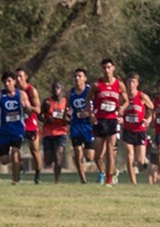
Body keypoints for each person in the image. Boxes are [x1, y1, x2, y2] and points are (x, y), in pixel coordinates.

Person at [89, 58, 128, 186]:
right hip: (99, 121)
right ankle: (102, 172)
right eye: (104, 68)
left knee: (111, 151)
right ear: (102, 69)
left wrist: (122, 108)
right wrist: (91, 114)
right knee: (98, 155)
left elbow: (126, 100)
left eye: (109, 67)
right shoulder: (96, 85)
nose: (107, 70)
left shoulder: (119, 84)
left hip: (112, 120)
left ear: (113, 68)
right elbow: (87, 100)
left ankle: (109, 181)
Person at [0, 71, 33, 185]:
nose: (7, 84)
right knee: (4, 160)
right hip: (4, 130)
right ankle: (19, 164)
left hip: (17, 129)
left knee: (15, 154)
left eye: (9, 81)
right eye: (5, 81)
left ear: (14, 82)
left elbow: (28, 109)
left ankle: (15, 180)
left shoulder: (21, 94)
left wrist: (28, 109)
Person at [120, 73, 154, 185]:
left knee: (140, 160)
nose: (131, 84)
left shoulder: (142, 96)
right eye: (129, 81)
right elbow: (118, 110)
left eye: (133, 81)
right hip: (127, 130)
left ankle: (146, 163)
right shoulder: (123, 97)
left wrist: (148, 120)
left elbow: (152, 108)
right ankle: (133, 183)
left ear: (137, 83)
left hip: (140, 130)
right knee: (130, 156)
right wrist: (119, 118)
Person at [66, 68, 96, 183]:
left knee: (90, 157)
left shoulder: (90, 91)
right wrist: (67, 114)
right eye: (75, 76)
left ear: (85, 78)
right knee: (78, 153)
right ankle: (83, 179)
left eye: (79, 76)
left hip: (88, 126)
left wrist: (88, 113)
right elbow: (66, 109)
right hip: (76, 126)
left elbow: (97, 106)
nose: (77, 78)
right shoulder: (70, 93)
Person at [16, 68, 42, 183]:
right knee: (15, 149)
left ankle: (37, 175)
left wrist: (27, 106)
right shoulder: (13, 91)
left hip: (31, 123)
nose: (18, 79)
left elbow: (38, 110)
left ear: (26, 76)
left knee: (34, 150)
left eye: (20, 76)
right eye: (16, 77)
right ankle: (19, 171)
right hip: (17, 123)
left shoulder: (31, 90)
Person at [40, 81, 69, 183]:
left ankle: (57, 180)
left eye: (58, 88)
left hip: (61, 132)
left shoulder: (66, 102)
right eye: (54, 88)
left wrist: (66, 119)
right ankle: (51, 154)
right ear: (51, 90)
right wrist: (46, 120)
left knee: (58, 157)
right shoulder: (47, 102)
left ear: (62, 90)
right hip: (48, 133)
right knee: (48, 161)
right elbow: (39, 115)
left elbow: (69, 118)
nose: (56, 90)